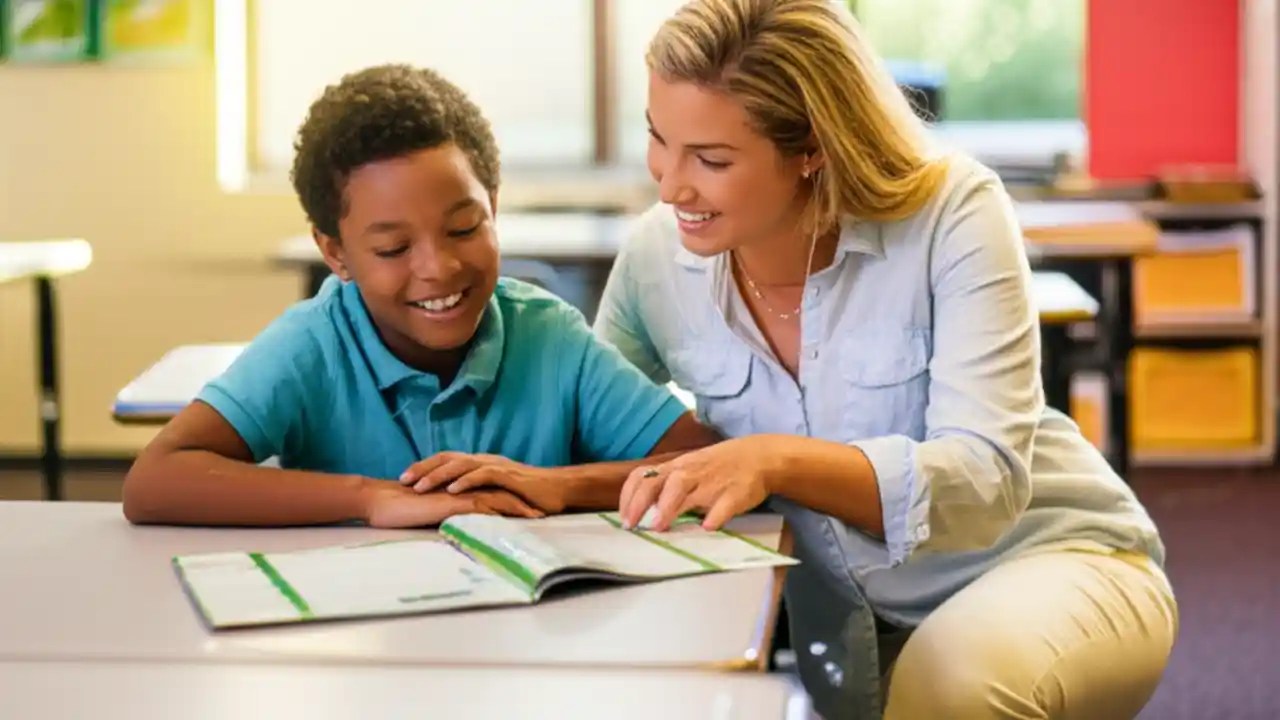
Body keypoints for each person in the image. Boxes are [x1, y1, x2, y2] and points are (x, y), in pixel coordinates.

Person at [595, 1, 1178, 718]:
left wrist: (773, 460)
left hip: (1047, 560)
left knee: (951, 687)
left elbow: (985, 480)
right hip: (840, 619)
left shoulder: (954, 213)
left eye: (711, 159)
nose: (669, 184)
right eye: (659, 140)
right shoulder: (657, 255)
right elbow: (592, 427)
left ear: (811, 146)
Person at [122, 64, 716, 529]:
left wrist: (553, 484)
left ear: (494, 207)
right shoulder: (314, 343)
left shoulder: (550, 337)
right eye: (391, 249)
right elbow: (154, 481)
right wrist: (371, 498)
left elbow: (699, 466)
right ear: (335, 253)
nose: (439, 268)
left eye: (464, 228)